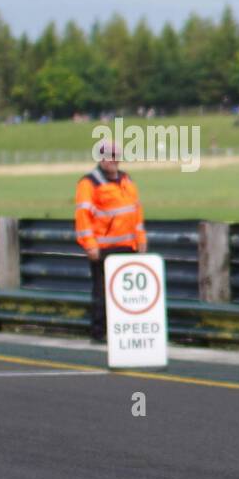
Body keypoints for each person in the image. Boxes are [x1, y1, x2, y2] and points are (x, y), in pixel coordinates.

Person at [75, 143, 147, 343]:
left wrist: (141, 239)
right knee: (102, 294)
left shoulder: (127, 180)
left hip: (128, 246)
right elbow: (83, 216)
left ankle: (123, 333)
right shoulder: (89, 183)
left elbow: (136, 211)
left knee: (126, 294)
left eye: (115, 156)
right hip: (103, 249)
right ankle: (99, 333)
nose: (113, 159)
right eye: (108, 156)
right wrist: (89, 244)